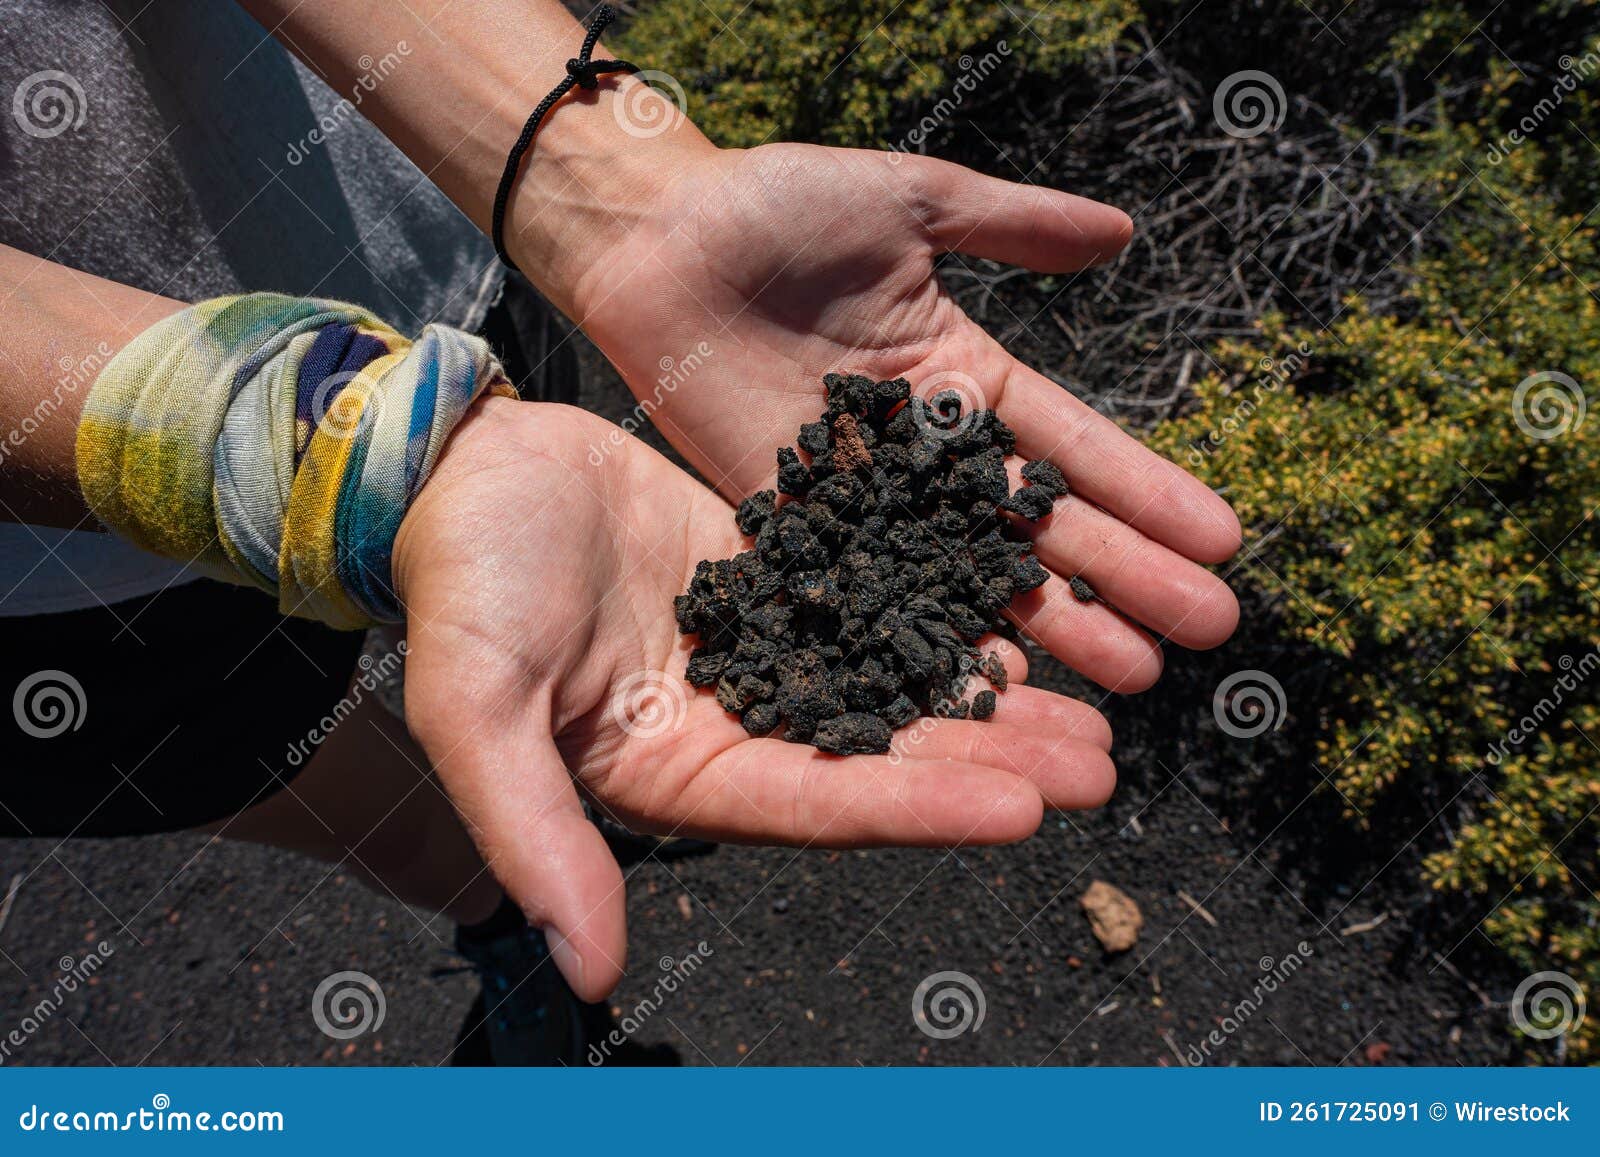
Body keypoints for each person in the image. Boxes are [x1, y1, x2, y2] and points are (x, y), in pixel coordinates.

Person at [0, 1, 1240, 1064]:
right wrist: (333, 451)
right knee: (256, 763)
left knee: (481, 666)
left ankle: (539, 865)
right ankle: (503, 911)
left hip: (417, 254)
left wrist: (618, 194)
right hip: (39, 575)